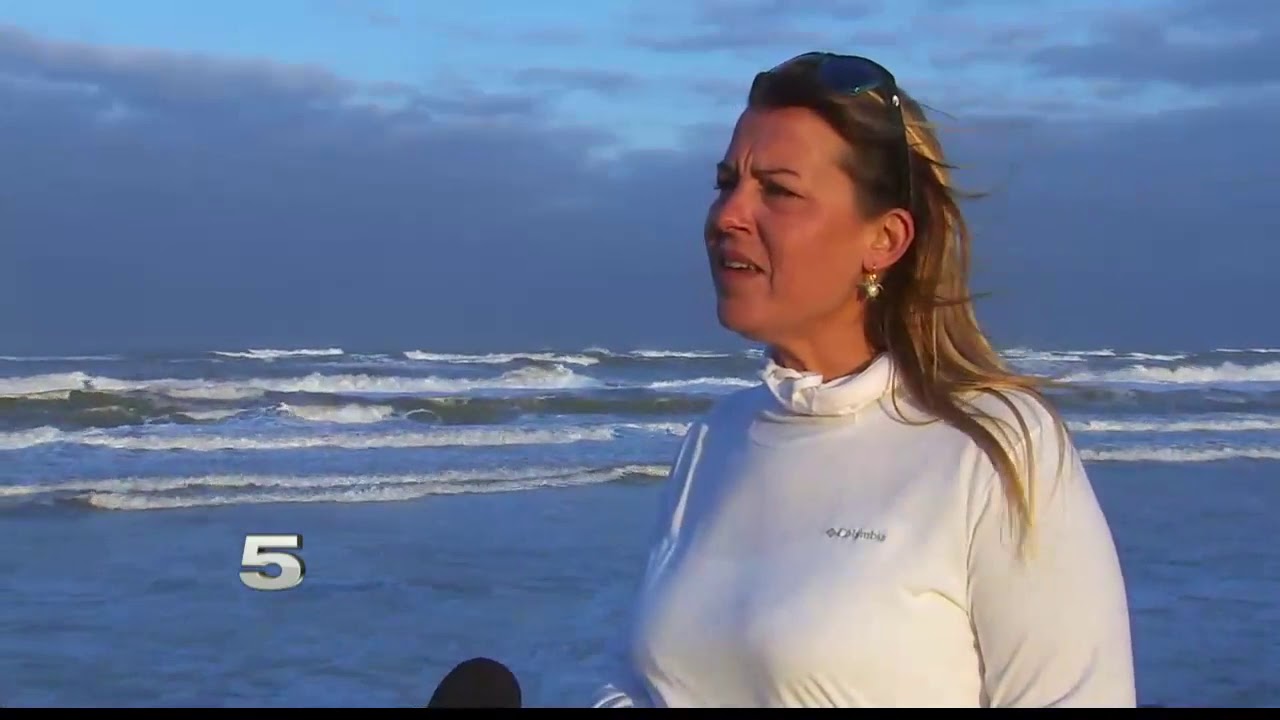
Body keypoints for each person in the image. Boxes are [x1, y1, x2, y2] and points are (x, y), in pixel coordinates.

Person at [590, 52, 1136, 708]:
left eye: (778, 191)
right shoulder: (714, 440)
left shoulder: (996, 447)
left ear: (884, 240)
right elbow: (637, 678)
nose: (727, 216)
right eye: (726, 181)